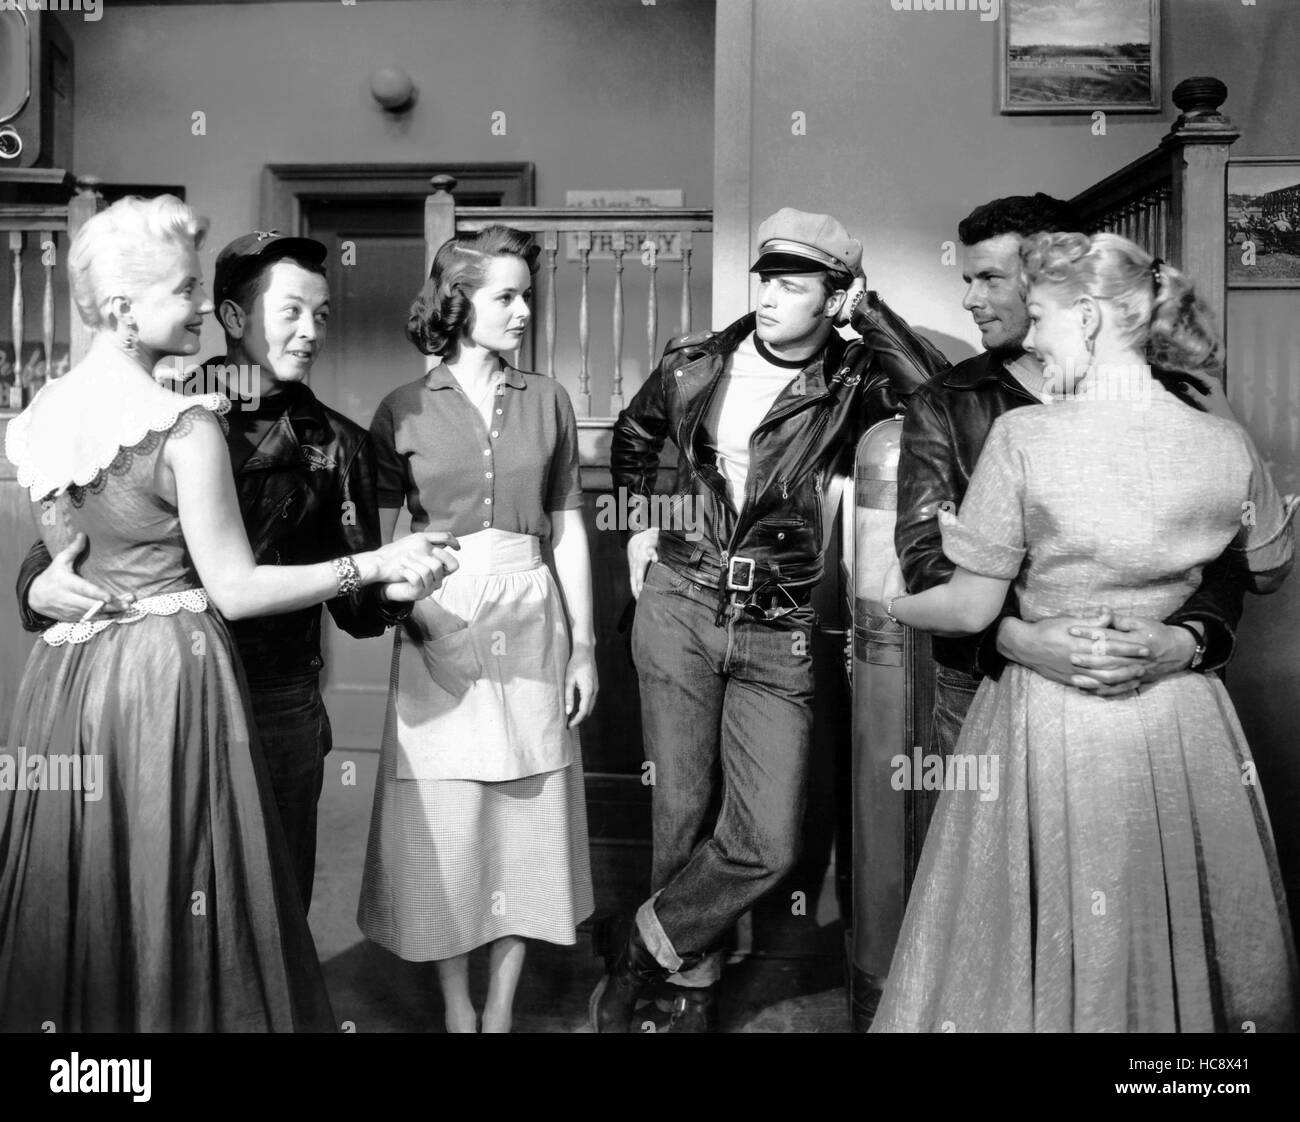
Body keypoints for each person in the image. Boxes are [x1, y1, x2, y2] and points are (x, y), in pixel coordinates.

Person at [0, 195, 455, 1032]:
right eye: (292, 312)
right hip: (165, 694)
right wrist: (33, 584)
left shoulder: (345, 447)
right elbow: (84, 546)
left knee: (263, 921)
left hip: (275, 701)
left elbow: (357, 611)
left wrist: (397, 589)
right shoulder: (170, 409)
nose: (311, 331)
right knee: (132, 900)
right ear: (235, 316)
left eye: (323, 314)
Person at [873, 231, 1299, 1032]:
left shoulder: (1027, 437)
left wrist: (889, 604)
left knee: (1035, 933)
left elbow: (966, 609)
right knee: (1172, 923)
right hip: (1183, 721)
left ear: (1092, 319)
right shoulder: (1221, 439)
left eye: (1040, 318)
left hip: (1052, 718)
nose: (1030, 340)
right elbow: (1269, 565)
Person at [593, 208, 948, 1033]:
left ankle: (638, 950)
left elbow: (936, 407)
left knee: (767, 839)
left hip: (779, 619)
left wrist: (873, 314)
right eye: (767, 280)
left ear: (835, 297)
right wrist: (645, 524)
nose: (770, 299)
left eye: (795, 286)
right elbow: (634, 439)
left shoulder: (853, 378)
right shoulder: (696, 362)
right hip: (681, 599)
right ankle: (690, 992)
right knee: (680, 810)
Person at [897, 195, 1248, 788]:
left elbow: (1228, 557)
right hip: (988, 681)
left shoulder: (1180, 401)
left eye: (990, 279)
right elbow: (925, 554)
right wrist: (1019, 640)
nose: (970, 299)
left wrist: (1185, 641)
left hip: (1161, 687)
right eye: (967, 279)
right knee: (1006, 867)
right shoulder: (946, 402)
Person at [357, 225, 596, 1034]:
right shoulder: (403, 410)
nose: (524, 310)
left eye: (527, 294)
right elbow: (384, 551)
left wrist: (585, 646)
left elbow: (566, 529)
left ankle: (500, 1012)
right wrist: (428, 623)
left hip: (533, 619)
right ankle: (457, 1008)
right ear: (458, 305)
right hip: (440, 619)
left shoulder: (550, 400)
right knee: (449, 824)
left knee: (526, 822)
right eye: (506, 296)